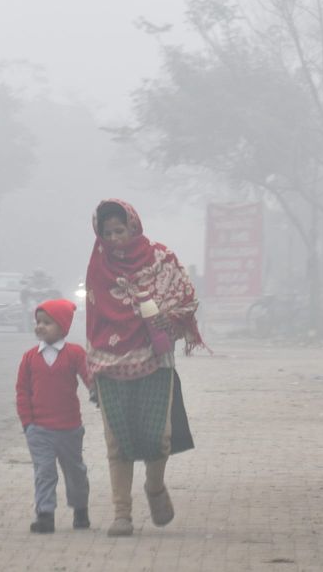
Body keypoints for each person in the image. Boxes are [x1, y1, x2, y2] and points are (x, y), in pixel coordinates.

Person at [86, 199, 203, 537]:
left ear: (133, 227)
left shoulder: (160, 258)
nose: (114, 238)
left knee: (158, 436)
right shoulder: (97, 267)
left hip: (155, 359)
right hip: (110, 363)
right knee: (117, 441)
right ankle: (122, 514)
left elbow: (186, 296)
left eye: (119, 230)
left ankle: (154, 487)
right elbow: (96, 316)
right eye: (107, 233)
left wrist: (165, 314)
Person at [15, 298, 91, 534]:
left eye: (47, 322)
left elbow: (89, 378)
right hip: (39, 429)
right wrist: (28, 424)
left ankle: (80, 510)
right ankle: (45, 514)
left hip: (70, 428)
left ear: (62, 326)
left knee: (75, 471)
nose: (40, 326)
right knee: (44, 472)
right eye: (38, 321)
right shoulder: (29, 357)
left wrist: (99, 393)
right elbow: (22, 391)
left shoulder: (75, 353)